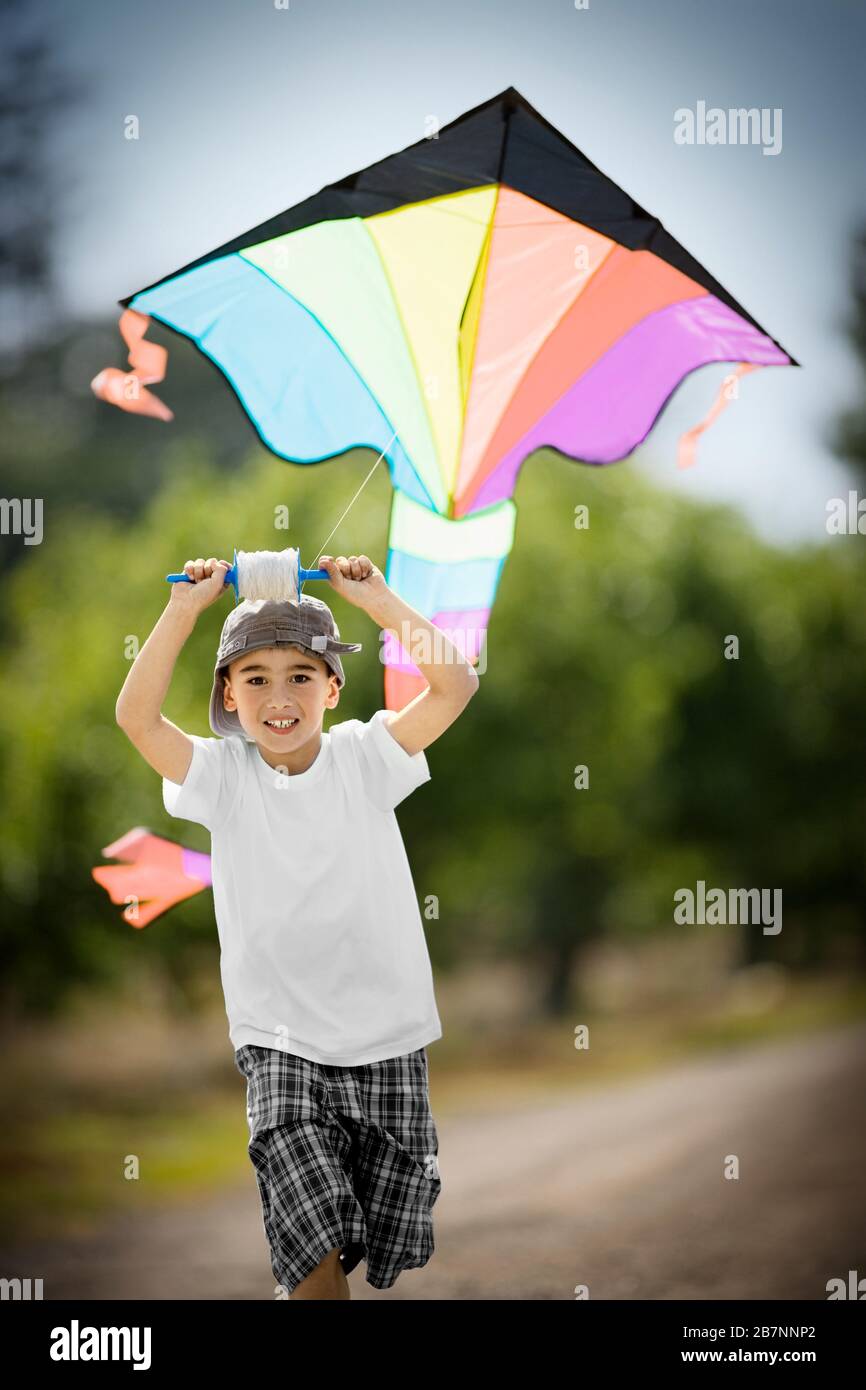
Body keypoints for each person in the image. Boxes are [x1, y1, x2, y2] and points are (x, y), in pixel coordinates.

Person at [115, 552, 479, 1299]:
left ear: (333, 687)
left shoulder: (367, 758)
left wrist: (377, 600)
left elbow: (456, 684)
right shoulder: (221, 778)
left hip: (387, 1035)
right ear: (228, 693)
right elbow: (137, 719)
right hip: (278, 1043)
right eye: (256, 679)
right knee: (311, 1234)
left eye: (300, 676)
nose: (279, 698)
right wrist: (185, 608)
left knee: (385, 1230)